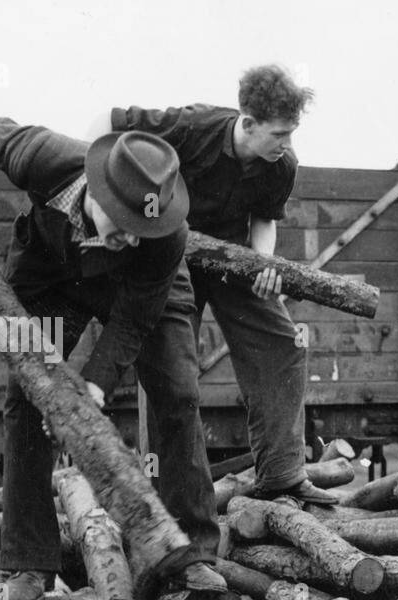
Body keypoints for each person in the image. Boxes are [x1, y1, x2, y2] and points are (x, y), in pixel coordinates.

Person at [0, 117, 227, 600]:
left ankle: (189, 551)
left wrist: (96, 386)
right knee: (27, 398)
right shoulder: (46, 156)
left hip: (140, 291)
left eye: (142, 230)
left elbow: (131, 322)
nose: (132, 238)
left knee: (179, 391)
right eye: (124, 227)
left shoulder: (163, 236)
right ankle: (29, 563)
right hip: (53, 275)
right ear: (98, 194)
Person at [89, 64, 338, 505]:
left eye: (292, 134)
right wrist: (102, 194)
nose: (288, 145)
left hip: (228, 259)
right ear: (248, 123)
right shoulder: (191, 125)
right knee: (171, 368)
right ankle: (167, 496)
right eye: (280, 134)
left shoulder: (281, 166)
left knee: (283, 346)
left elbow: (263, 218)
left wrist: (261, 262)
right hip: (167, 259)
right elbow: (107, 124)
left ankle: (281, 475)